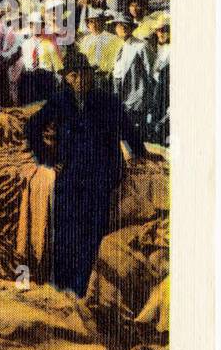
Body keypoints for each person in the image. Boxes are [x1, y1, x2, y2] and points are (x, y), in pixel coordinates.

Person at [26, 48, 146, 295]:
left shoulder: (107, 101)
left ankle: (82, 289)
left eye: (84, 74)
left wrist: (141, 154)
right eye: (74, 76)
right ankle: (61, 287)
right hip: (70, 177)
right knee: (66, 233)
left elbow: (128, 131)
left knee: (92, 234)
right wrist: (47, 159)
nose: (80, 80)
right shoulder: (59, 101)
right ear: (67, 78)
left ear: (91, 76)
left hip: (100, 178)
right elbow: (32, 127)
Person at [114, 16, 170, 146]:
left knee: (136, 129)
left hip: (137, 93)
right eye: (119, 26)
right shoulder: (121, 46)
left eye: (125, 26)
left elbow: (152, 72)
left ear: (131, 28)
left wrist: (146, 96)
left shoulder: (141, 46)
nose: (122, 29)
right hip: (121, 91)